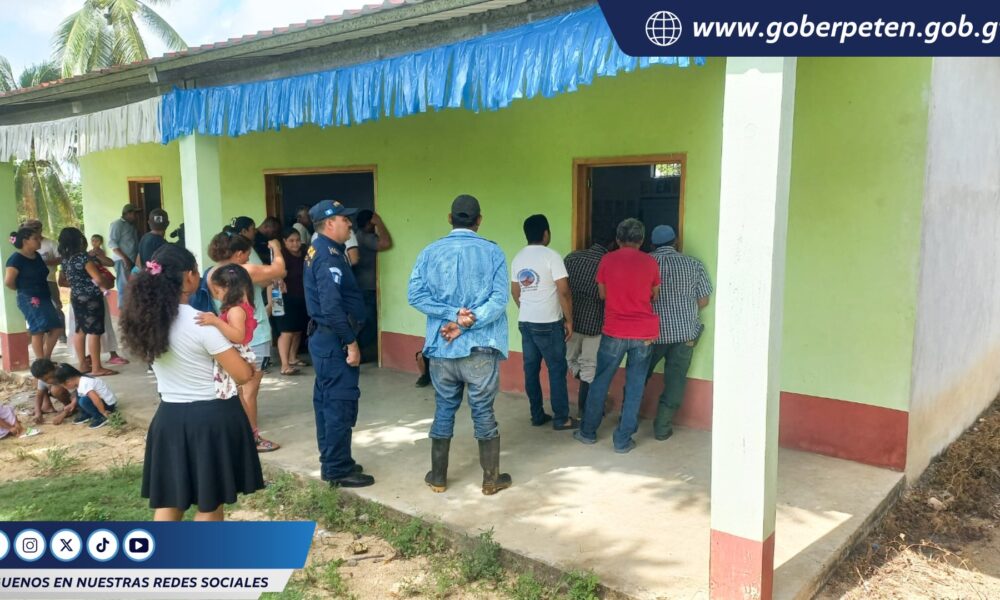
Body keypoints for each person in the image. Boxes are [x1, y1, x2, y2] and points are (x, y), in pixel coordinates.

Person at [120, 244, 262, 521]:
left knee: (170, 501)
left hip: (168, 418)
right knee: (210, 503)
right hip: (211, 419)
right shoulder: (201, 324)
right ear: (188, 276)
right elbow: (243, 375)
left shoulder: (149, 321)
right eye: (196, 271)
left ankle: (162, 560)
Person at [408, 194, 511, 495]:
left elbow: (415, 296)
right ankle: (491, 480)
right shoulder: (493, 252)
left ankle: (438, 477)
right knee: (483, 411)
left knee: (444, 408)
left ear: (449, 218)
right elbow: (499, 300)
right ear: (479, 220)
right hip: (481, 346)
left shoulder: (430, 252)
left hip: (442, 347)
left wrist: (452, 316)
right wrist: (468, 320)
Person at [574, 218, 660, 454]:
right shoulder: (651, 262)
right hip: (644, 332)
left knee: (600, 381)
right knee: (635, 385)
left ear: (618, 239)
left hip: (614, 331)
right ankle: (622, 440)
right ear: (641, 239)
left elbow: (602, 294)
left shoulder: (607, 260)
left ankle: (588, 432)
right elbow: (655, 294)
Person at [304, 200, 373, 488]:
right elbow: (332, 307)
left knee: (327, 401)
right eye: (345, 219)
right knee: (338, 403)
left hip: (326, 339)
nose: (350, 224)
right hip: (334, 340)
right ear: (330, 223)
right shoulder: (328, 256)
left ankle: (335, 459)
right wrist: (351, 342)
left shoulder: (324, 249)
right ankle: (336, 468)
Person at [206, 230, 286, 451]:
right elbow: (280, 269)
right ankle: (252, 438)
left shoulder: (212, 273)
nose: (249, 259)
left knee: (235, 392)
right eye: (247, 254)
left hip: (226, 338)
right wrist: (276, 248)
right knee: (249, 392)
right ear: (238, 254)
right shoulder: (242, 272)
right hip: (253, 338)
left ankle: (237, 436)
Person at [645, 225, 713, 441]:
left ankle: (627, 422)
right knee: (675, 381)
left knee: (639, 376)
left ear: (652, 244)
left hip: (650, 334)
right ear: (676, 241)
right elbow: (703, 300)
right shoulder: (694, 264)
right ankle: (662, 428)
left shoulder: (645, 263)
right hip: (685, 334)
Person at [511, 214, 576, 430]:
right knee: (556, 369)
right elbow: (564, 291)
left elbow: (515, 291)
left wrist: (528, 308)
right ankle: (561, 419)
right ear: (545, 233)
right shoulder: (551, 256)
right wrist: (569, 320)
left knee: (531, 369)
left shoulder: (518, 258)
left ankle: (537, 415)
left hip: (526, 322)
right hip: (548, 323)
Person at [564, 231, 613, 418]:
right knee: (590, 367)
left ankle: (590, 401)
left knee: (571, 360)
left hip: (571, 321)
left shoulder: (572, 257)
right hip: (596, 324)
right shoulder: (608, 263)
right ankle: (587, 411)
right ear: (611, 244)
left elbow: (561, 288)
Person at [59, 227, 116, 377]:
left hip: (76, 296)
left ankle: (83, 364)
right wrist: (106, 283)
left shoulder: (65, 260)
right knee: (94, 332)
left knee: (80, 329)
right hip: (91, 297)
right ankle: (97, 367)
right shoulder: (83, 258)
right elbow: (97, 278)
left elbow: (65, 279)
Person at [195, 264, 258, 400]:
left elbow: (238, 336)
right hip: (236, 352)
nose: (217, 297)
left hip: (234, 352)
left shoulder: (235, 311)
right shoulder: (239, 308)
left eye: (218, 292)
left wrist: (216, 322)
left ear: (229, 288)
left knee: (231, 391)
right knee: (235, 391)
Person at [5, 227, 64, 360]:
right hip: (29, 298)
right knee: (38, 329)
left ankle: (46, 359)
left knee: (56, 328)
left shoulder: (36, 256)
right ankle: (41, 362)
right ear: (25, 241)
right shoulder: (15, 259)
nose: (39, 241)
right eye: (35, 238)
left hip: (44, 296)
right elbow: (9, 282)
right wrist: (23, 290)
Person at [354, 210, 393, 363]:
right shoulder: (364, 237)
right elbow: (385, 243)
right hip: (367, 287)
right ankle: (356, 351)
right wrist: (380, 223)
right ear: (369, 223)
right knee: (370, 323)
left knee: (365, 322)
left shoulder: (358, 235)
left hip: (364, 286)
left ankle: (356, 351)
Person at [275, 228, 309, 375]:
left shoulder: (306, 252)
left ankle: (293, 357)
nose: (295, 244)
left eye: (297, 240)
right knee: (286, 331)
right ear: (284, 242)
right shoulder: (281, 256)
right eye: (291, 241)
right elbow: (275, 274)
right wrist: (280, 278)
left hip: (302, 296)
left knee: (298, 330)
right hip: (283, 298)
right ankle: (284, 365)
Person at [24, 220, 64, 334]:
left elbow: (60, 258)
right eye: (32, 229)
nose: (35, 231)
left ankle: (61, 334)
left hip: (49, 280)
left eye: (37, 228)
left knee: (56, 306)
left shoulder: (51, 243)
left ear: (41, 229)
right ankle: (40, 332)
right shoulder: (24, 246)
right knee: (34, 308)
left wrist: (44, 262)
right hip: (31, 284)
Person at [54, 363, 120, 429]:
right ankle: (87, 414)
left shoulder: (85, 383)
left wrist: (103, 412)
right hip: (101, 402)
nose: (65, 388)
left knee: (83, 401)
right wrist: (72, 404)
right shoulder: (80, 380)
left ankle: (100, 417)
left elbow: (96, 398)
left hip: (107, 405)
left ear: (68, 381)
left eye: (63, 385)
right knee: (79, 396)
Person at [108, 204, 141, 309]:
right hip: (122, 261)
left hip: (132, 261)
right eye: (134, 213)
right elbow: (112, 244)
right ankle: (124, 316)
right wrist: (125, 259)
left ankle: (131, 312)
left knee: (132, 287)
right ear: (127, 213)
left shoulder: (131, 226)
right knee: (123, 287)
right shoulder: (117, 224)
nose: (136, 216)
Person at [29, 358, 73, 425]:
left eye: (51, 377)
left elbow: (78, 396)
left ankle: (70, 407)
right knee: (44, 387)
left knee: (56, 390)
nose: (50, 381)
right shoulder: (43, 377)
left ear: (55, 368)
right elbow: (39, 396)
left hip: (77, 397)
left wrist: (64, 413)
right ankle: (50, 407)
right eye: (45, 380)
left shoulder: (65, 372)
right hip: (73, 397)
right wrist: (38, 413)